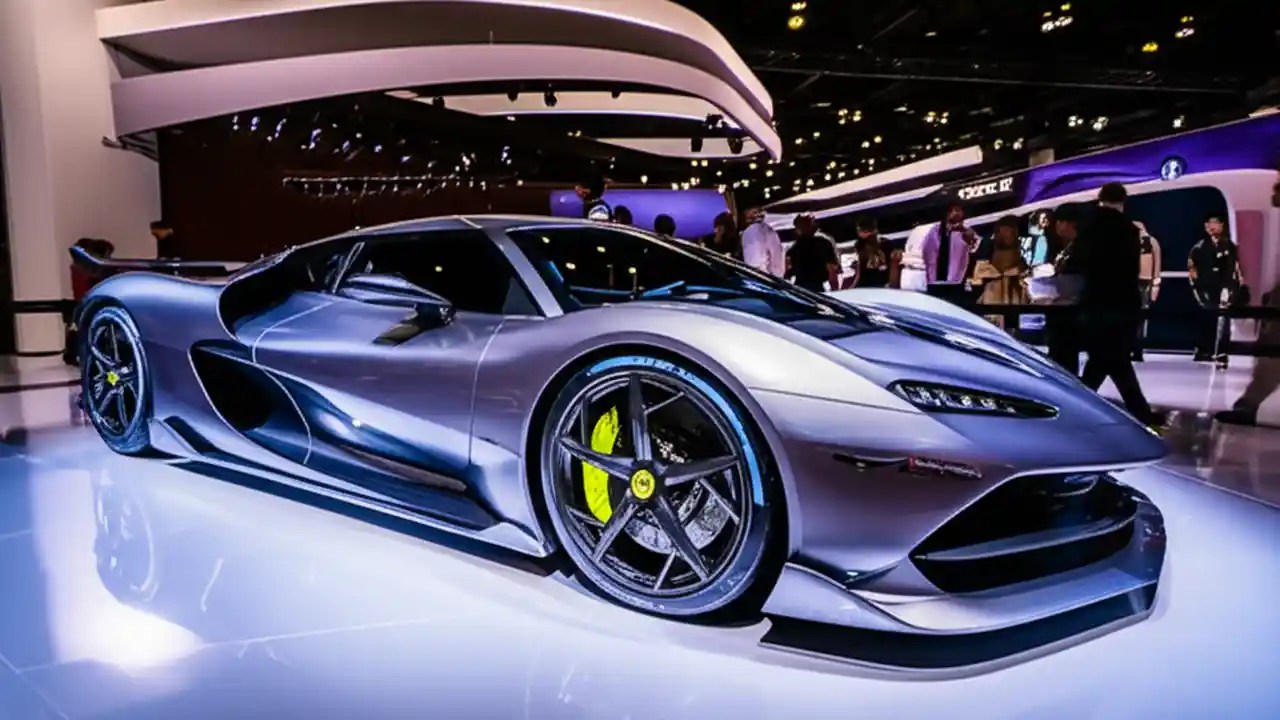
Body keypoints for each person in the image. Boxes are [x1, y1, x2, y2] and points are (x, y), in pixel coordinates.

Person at [1074, 183, 1158, 426]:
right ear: (1124, 200)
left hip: (1096, 301)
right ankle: (1141, 413)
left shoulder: (1089, 227)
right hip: (1123, 302)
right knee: (1113, 360)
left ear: (1099, 198)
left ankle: (1080, 405)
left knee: (1105, 360)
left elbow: (1082, 262)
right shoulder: (1129, 230)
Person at [1188, 213, 1242, 368]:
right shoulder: (1198, 247)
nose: (1212, 226)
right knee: (1207, 319)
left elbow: (1235, 267)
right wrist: (1196, 287)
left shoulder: (1229, 246)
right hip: (1205, 287)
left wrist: (1234, 287)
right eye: (1209, 224)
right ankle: (1204, 349)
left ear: (1222, 225)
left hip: (1225, 287)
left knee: (1223, 321)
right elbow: (1192, 269)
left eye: (1216, 223)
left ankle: (1222, 352)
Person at [1045, 206, 1085, 374]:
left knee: (1065, 357)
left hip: (1069, 312)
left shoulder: (1080, 249)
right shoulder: (1068, 248)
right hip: (1060, 310)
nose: (1056, 226)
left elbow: (1074, 281)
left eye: (1059, 222)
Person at [973, 215, 1028, 327]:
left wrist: (1020, 271)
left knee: (1012, 324)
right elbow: (978, 272)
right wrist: (999, 273)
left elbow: (1023, 267)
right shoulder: (988, 245)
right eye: (1007, 229)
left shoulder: (1017, 246)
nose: (1010, 233)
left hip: (1014, 291)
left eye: (1013, 230)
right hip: (993, 292)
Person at [920, 202, 980, 304]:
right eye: (952, 210)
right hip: (934, 281)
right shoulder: (934, 231)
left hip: (956, 282)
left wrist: (970, 240)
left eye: (958, 210)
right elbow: (926, 251)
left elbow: (974, 249)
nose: (955, 213)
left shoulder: (967, 232)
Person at [786, 214, 839, 293]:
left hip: (800, 289)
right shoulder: (823, 243)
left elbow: (787, 273)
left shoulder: (793, 249)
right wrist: (835, 291)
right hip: (817, 289)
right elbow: (831, 271)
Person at [1133, 221, 1163, 362]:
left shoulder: (1151, 242)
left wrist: (1156, 284)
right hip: (1132, 282)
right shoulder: (1128, 241)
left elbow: (1157, 265)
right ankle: (1133, 349)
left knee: (1141, 318)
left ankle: (1137, 350)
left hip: (1145, 283)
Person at [843, 216, 889, 289]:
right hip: (872, 282)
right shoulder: (861, 245)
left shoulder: (884, 243)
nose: (858, 234)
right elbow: (860, 269)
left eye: (859, 231)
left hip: (877, 282)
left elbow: (860, 271)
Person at [741, 207, 784, 276]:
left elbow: (754, 262)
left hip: (760, 279)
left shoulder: (751, 232)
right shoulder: (770, 230)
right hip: (773, 278)